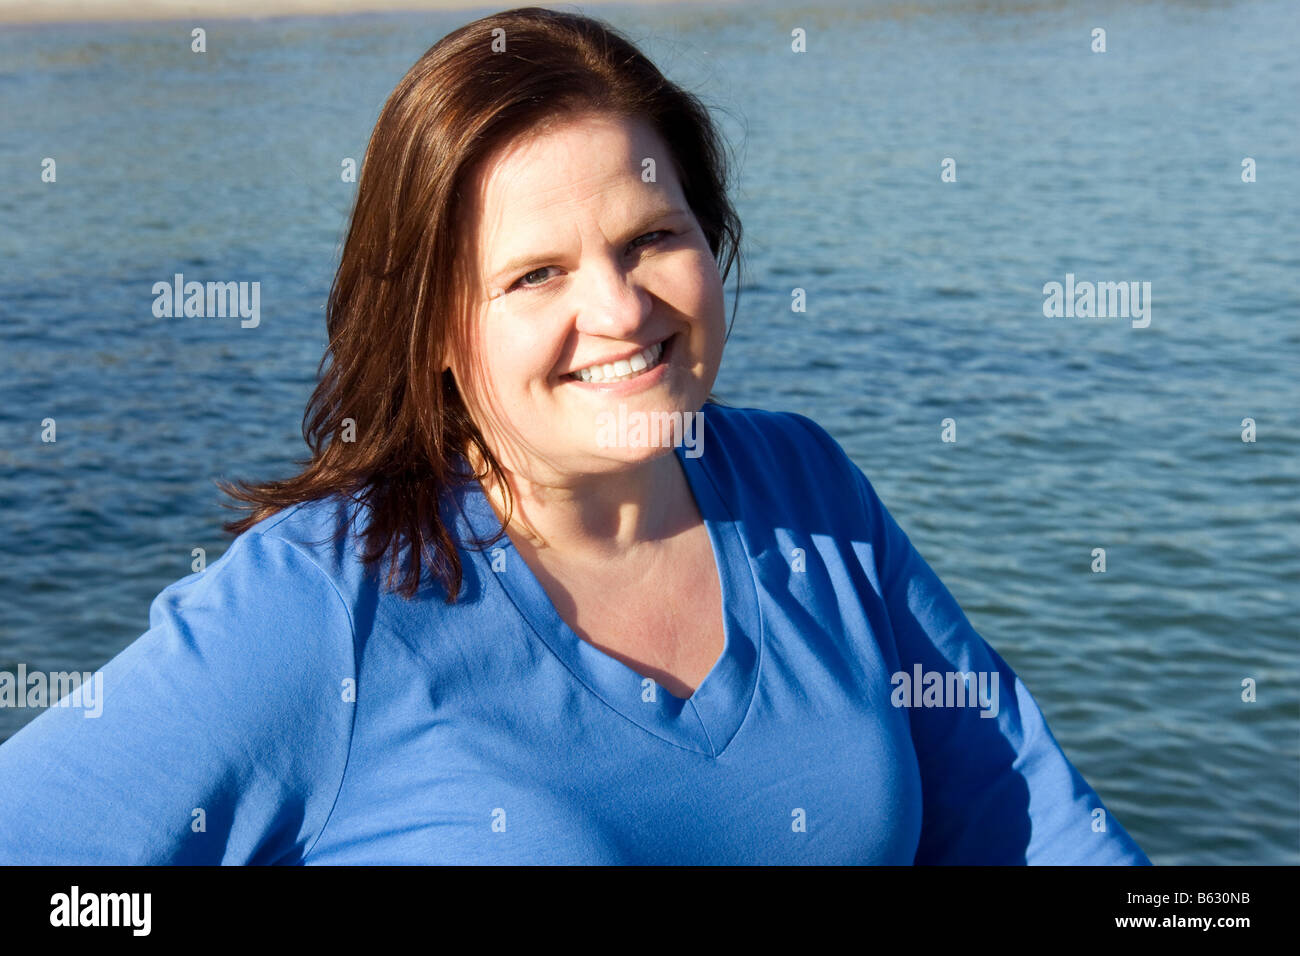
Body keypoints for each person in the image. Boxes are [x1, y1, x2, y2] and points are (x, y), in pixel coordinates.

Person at [0, 6, 1149, 865]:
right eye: (536, 272)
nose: (619, 311)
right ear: (438, 328)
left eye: (651, 237)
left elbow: (1034, 828)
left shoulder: (807, 489)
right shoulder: (318, 608)